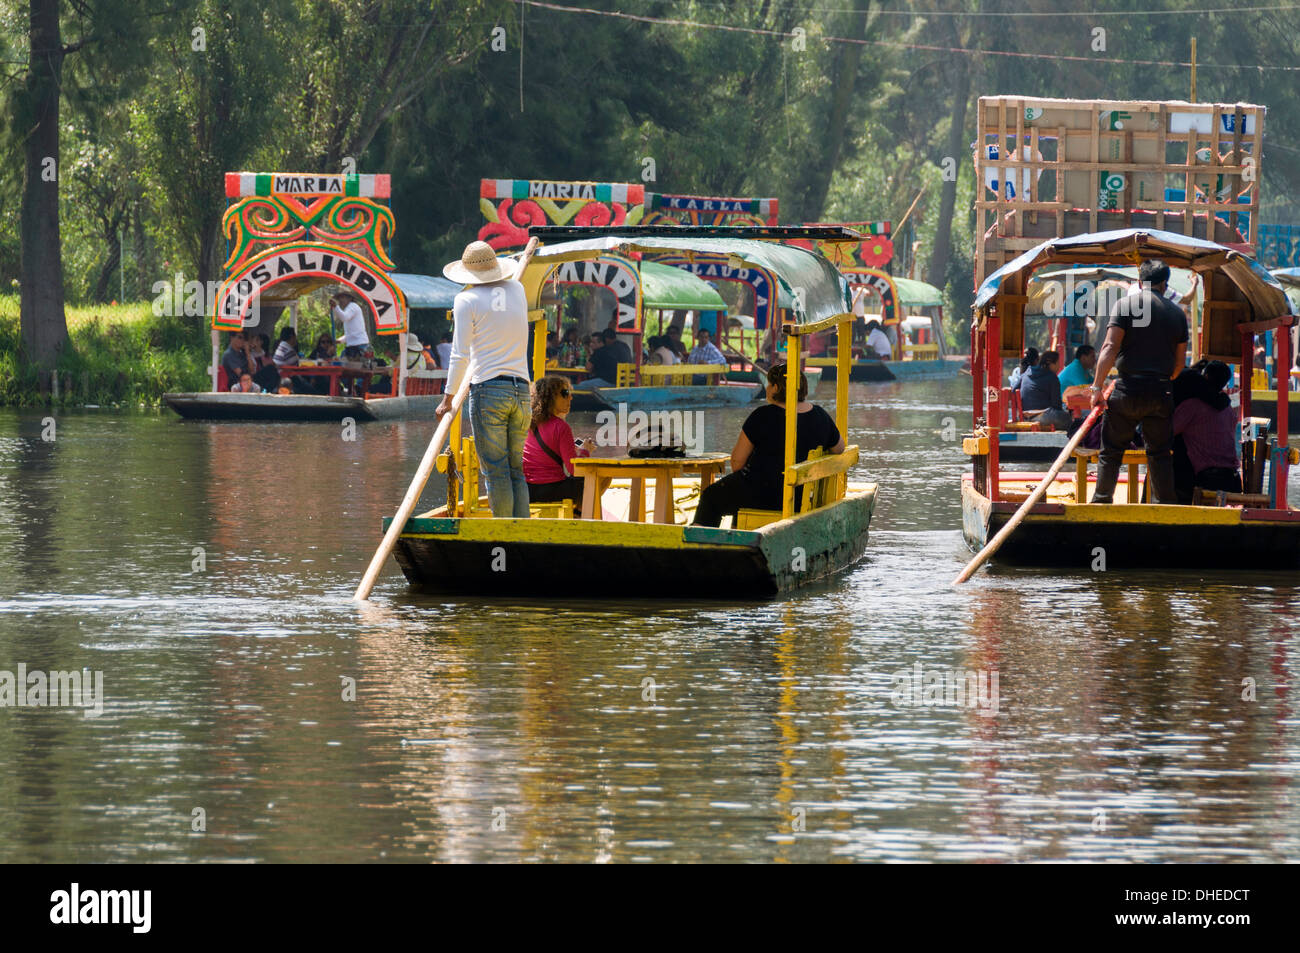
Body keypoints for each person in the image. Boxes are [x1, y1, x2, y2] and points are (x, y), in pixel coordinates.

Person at [439, 240, 532, 518]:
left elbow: (459, 355)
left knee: (496, 470)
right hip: (521, 391)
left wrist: (447, 398)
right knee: (516, 469)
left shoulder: (466, 300)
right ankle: (522, 534)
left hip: (489, 390)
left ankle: (504, 533)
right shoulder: (517, 289)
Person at [693, 362, 845, 527]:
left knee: (710, 497)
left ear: (777, 387)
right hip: (801, 497)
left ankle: (702, 544)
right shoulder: (820, 416)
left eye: (769, 384)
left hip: (761, 496)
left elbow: (737, 463)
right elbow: (839, 448)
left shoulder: (762, 416)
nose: (767, 388)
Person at [1089, 259, 1189, 504]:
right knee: (1160, 454)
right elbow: (1179, 366)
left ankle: (1101, 500)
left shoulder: (1125, 305)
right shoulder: (1177, 313)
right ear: (1165, 284)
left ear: (1140, 282)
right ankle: (1165, 506)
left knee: (1111, 451)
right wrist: (1163, 379)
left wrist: (1097, 388)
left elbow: (1109, 348)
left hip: (1127, 389)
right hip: (1161, 391)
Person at [1173, 360, 1241, 497]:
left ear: (1205, 378)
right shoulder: (1228, 409)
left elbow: (1167, 432)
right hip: (1232, 479)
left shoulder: (1191, 406)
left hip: (1207, 479)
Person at [523, 375, 590, 504]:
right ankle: (580, 512)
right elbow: (575, 469)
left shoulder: (526, 422)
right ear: (551, 397)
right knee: (598, 478)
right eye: (565, 393)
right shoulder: (561, 427)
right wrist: (585, 451)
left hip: (527, 491)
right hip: (553, 491)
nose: (570, 397)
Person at [1020, 350, 1072, 430]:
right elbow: (1056, 405)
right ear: (1051, 364)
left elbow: (1014, 388)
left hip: (1024, 417)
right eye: (1058, 363)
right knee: (1068, 418)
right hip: (1044, 417)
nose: (1059, 367)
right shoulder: (1052, 377)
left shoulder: (1026, 373)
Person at [331, 290, 369, 360]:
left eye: (343, 297)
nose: (340, 300)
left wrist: (335, 307)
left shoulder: (353, 306)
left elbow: (344, 317)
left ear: (350, 298)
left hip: (359, 346)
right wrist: (339, 341)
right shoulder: (348, 310)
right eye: (339, 298)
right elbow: (352, 334)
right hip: (353, 346)